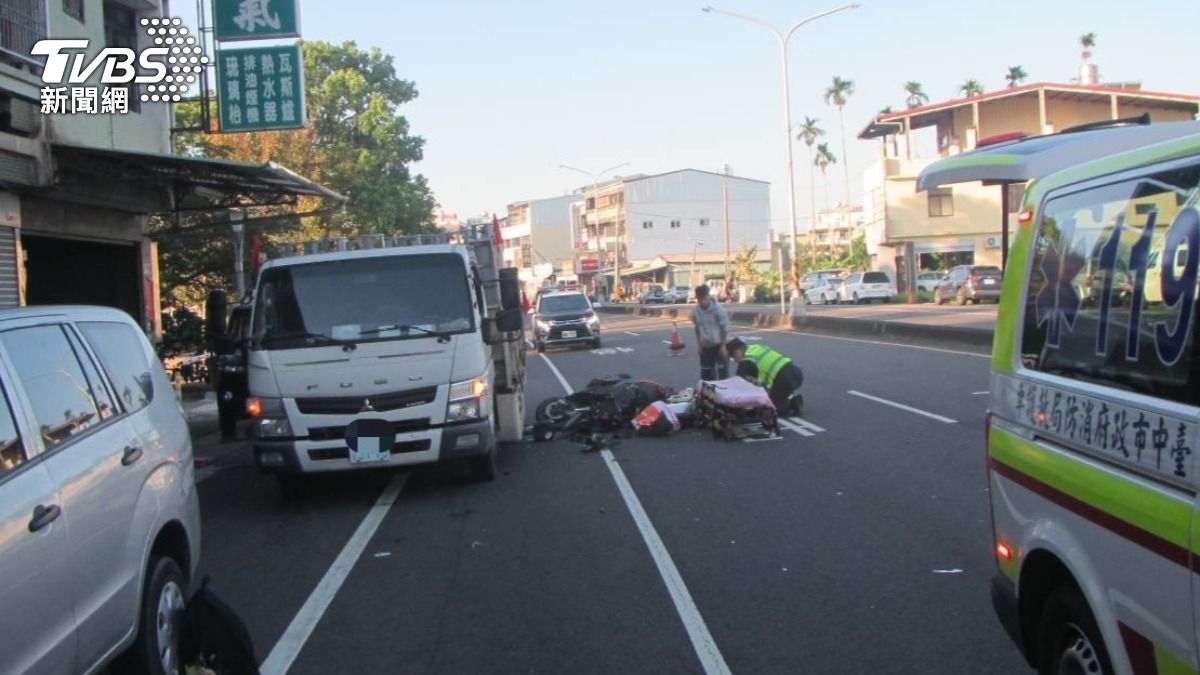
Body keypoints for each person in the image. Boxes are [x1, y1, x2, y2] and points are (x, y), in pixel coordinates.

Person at [727, 337, 805, 416]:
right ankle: (785, 396)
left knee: (765, 412)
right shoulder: (756, 347)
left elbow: (738, 384)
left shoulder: (745, 361)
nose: (735, 361)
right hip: (797, 373)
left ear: (737, 352)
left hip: (785, 381)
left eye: (733, 357)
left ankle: (793, 403)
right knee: (772, 395)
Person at [690, 284, 730, 380]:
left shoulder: (718, 310)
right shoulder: (695, 311)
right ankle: (709, 394)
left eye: (704, 298)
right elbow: (697, 328)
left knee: (723, 373)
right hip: (705, 347)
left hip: (719, 345)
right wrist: (699, 345)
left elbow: (724, 328)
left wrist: (723, 346)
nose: (702, 302)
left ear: (708, 296)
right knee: (707, 374)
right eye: (699, 299)